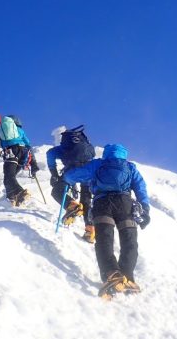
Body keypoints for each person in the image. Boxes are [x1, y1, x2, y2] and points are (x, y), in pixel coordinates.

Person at [61, 143, 151, 299]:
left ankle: (111, 273)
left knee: (104, 240)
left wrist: (66, 177)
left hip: (102, 204)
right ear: (124, 155)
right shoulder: (130, 167)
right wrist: (145, 208)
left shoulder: (98, 164)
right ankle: (127, 276)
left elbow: (72, 176)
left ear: (106, 153)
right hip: (125, 204)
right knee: (129, 241)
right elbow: (141, 187)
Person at [46, 125, 96, 242]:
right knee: (86, 201)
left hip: (72, 173)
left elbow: (50, 154)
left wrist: (54, 173)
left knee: (56, 191)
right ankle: (90, 231)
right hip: (89, 173)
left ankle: (72, 206)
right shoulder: (87, 145)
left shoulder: (64, 147)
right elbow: (92, 155)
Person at [0, 115, 38, 206]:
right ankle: (13, 199)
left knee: (9, 176)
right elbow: (29, 146)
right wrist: (33, 164)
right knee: (8, 179)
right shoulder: (20, 131)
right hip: (23, 154)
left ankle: (21, 193)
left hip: (10, 151)